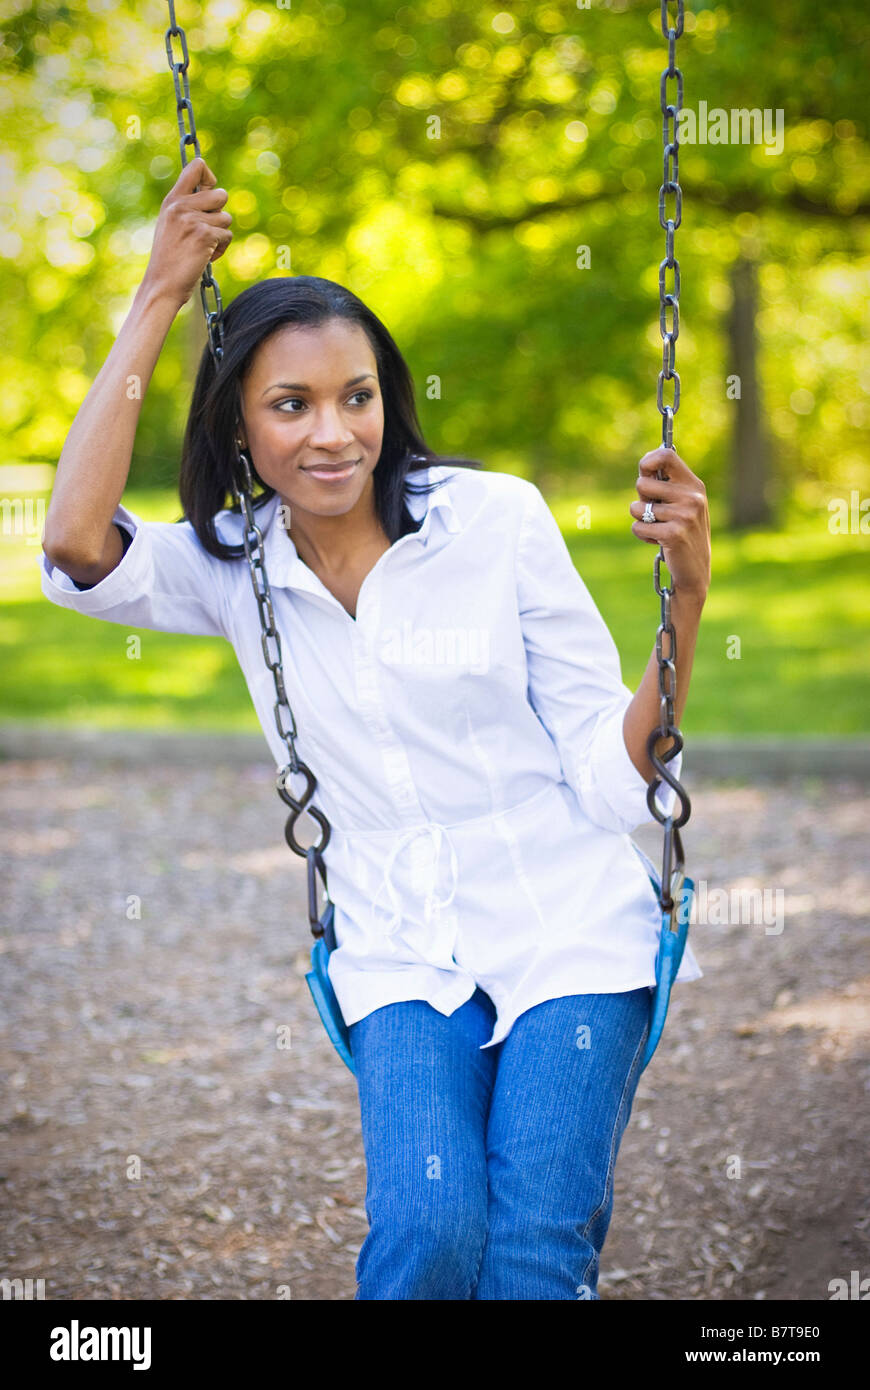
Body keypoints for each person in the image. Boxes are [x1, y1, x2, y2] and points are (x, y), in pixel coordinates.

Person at [40, 156, 711, 1300]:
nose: (334, 433)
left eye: (356, 395)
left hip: (570, 935)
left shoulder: (492, 521)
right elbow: (73, 544)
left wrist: (685, 598)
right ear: (241, 430)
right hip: (401, 954)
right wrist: (157, 295)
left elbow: (610, 775)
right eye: (290, 405)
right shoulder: (232, 566)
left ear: (387, 398)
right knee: (428, 1237)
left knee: (530, 1259)